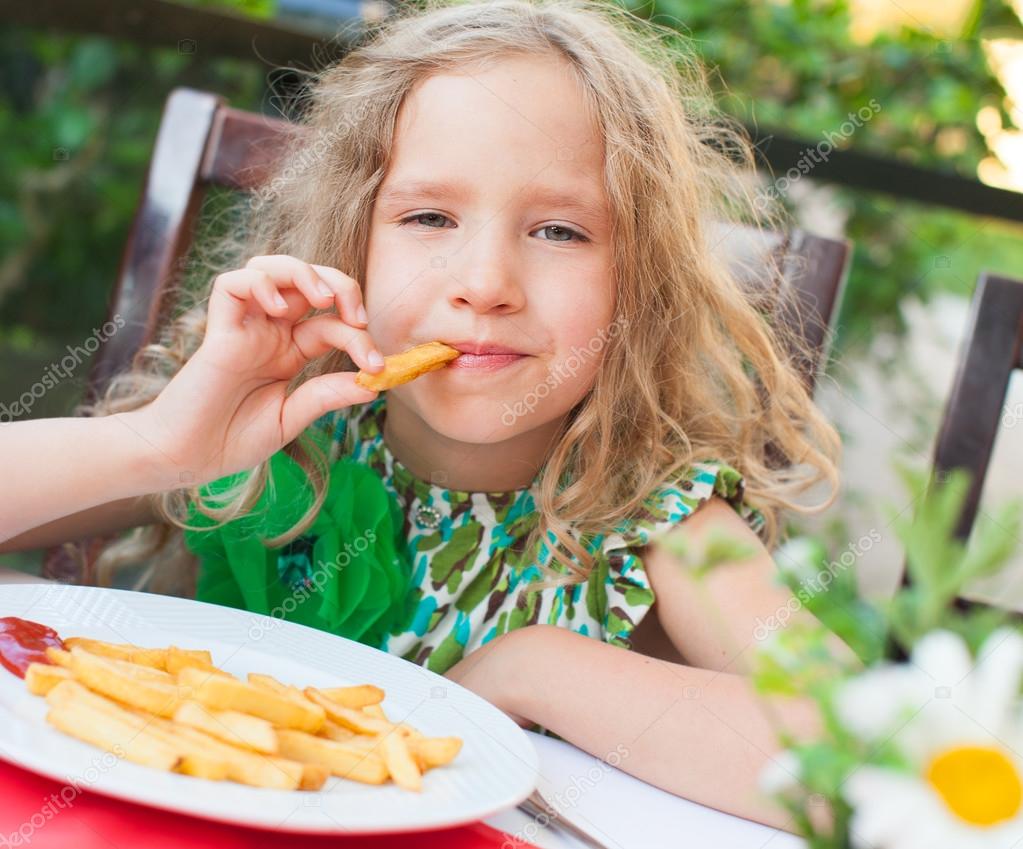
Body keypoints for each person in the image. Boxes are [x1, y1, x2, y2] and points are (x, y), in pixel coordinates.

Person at [1, 0, 849, 828]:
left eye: (559, 230)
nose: (483, 282)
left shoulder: (656, 516)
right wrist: (157, 445)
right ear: (350, 241)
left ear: (644, 284)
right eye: (428, 216)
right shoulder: (286, 433)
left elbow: (871, 757)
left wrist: (536, 667)